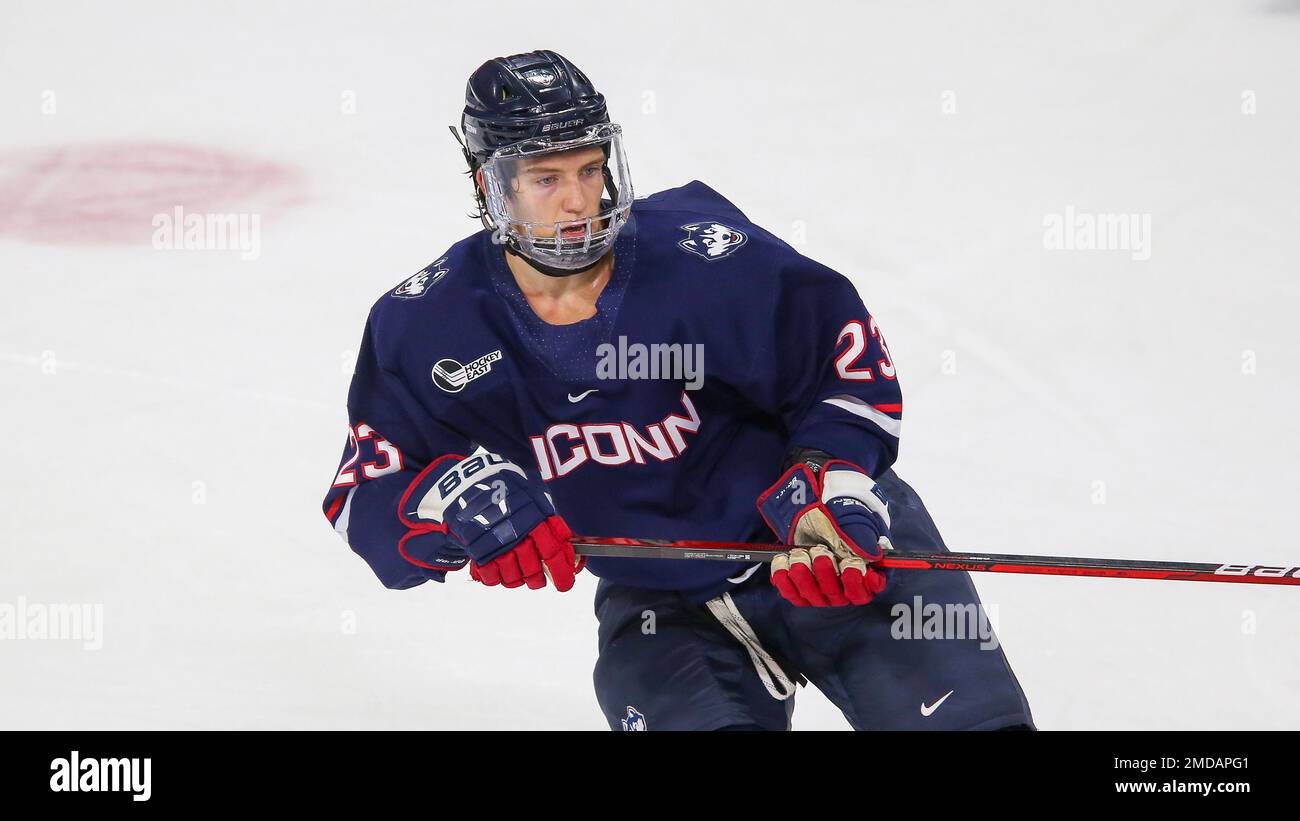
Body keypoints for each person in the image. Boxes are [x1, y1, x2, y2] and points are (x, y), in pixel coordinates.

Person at [322, 49, 1034, 730]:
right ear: (491, 186)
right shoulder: (429, 323)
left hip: (828, 548)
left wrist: (830, 479)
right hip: (662, 605)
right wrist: (449, 503)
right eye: (546, 179)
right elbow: (364, 492)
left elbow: (841, 361)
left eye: (589, 169)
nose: (578, 200)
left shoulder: (706, 260)